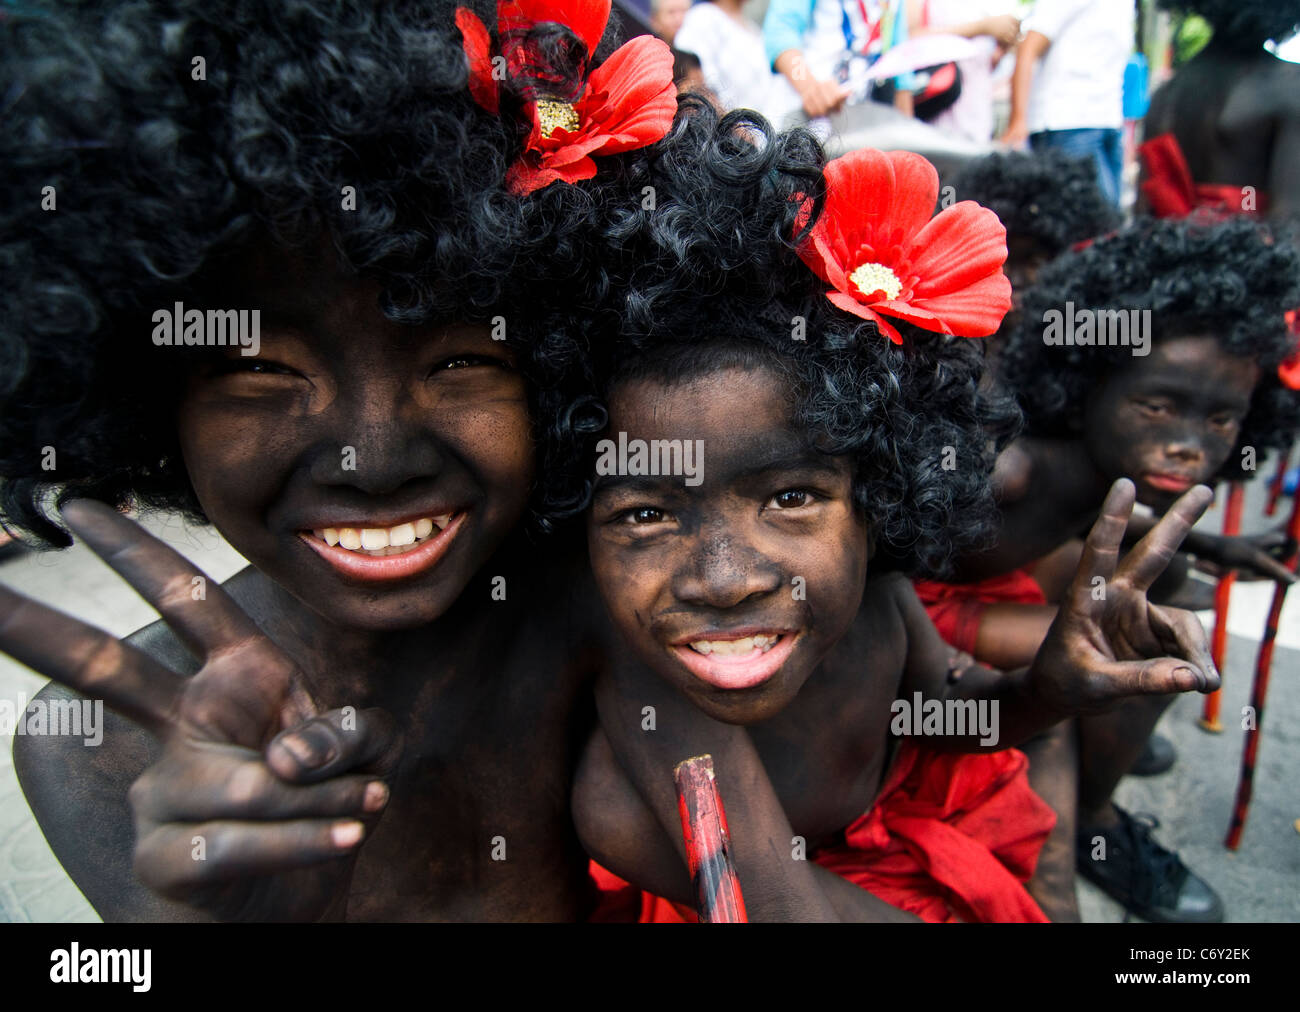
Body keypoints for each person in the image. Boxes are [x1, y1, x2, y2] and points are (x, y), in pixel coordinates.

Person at [0, 0, 676, 921]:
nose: (376, 458)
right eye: (263, 369)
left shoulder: (593, 609)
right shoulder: (97, 748)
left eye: (463, 358)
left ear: (560, 369)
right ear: (148, 399)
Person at [552, 107, 1227, 921]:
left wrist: (1047, 689)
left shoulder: (878, 599)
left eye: (791, 497)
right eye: (643, 516)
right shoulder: (635, 772)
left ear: (879, 496)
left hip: (896, 833)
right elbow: (790, 908)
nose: (725, 580)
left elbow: (936, 716)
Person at [924, 218, 1300, 922]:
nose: (1188, 445)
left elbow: (1115, 510)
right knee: (1123, 648)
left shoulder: (1110, 458)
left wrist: (1220, 549)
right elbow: (881, 569)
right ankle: (1088, 820)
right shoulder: (1010, 472)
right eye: (1157, 406)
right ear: (1085, 383)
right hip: (925, 608)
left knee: (1163, 589)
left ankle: (1096, 788)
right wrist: (932, 669)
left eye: (1221, 420)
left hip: (998, 582)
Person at [1141, 0, 1300, 232]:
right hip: (1247, 264)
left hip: (1172, 261)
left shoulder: (1166, 94)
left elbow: (1144, 214)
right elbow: (1290, 222)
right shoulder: (1289, 88)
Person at [1000, 0, 1134, 207]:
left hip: (1108, 122)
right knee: (1083, 229)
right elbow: (1028, 49)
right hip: (1067, 123)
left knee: (1110, 226)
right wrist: (1018, 121)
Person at [763, 0, 915, 122]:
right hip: (797, 122)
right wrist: (808, 87)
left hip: (856, 126)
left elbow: (900, 66)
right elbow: (781, 32)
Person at [905, 0, 1021, 142]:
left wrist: (1004, 44)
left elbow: (983, 66)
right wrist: (981, 28)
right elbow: (906, 39)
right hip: (936, 123)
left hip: (978, 122)